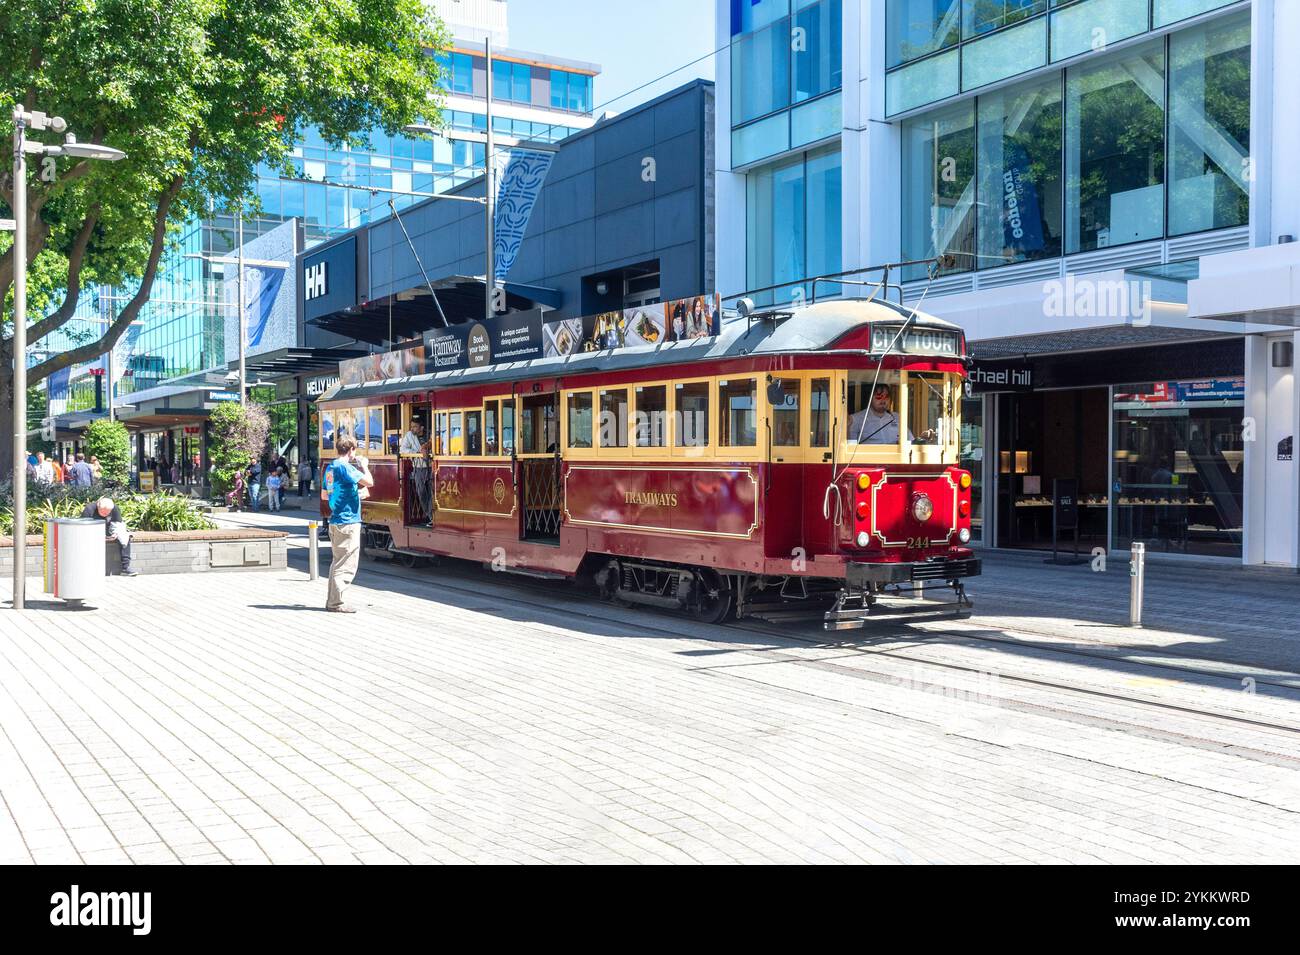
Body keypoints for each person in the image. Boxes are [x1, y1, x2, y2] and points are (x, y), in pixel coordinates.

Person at [321, 433, 374, 613]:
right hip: (348, 521)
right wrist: (364, 466)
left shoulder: (330, 468)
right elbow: (369, 482)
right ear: (351, 450)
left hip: (335, 520)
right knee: (345, 565)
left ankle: (333, 600)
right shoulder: (346, 467)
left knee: (337, 562)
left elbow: (324, 494)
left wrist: (354, 494)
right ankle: (336, 603)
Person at [847, 383, 931, 445]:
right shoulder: (856, 419)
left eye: (886, 397)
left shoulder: (897, 418)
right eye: (879, 396)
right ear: (870, 398)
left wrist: (921, 438)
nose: (883, 400)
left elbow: (909, 443)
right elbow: (850, 447)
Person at [82, 496, 138, 577]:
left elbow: (118, 524)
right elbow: (84, 527)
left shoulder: (115, 508)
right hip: (92, 531)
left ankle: (126, 567)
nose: (105, 514)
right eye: (103, 512)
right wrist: (98, 535)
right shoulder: (89, 509)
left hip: (109, 530)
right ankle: (90, 568)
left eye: (107, 512)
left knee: (125, 537)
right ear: (98, 506)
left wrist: (116, 534)